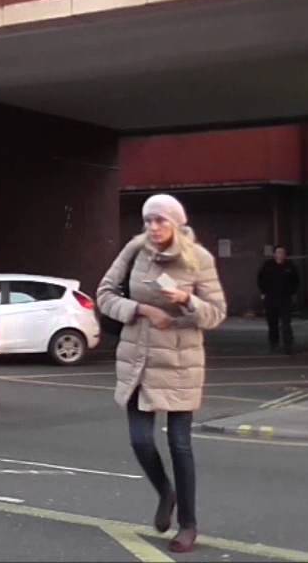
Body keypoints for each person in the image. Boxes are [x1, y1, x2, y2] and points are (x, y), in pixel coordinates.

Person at [96, 193, 226, 554]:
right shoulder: (135, 249)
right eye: (148, 221)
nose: (153, 228)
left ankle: (188, 524)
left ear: (176, 224)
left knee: (179, 444)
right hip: (138, 358)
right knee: (139, 439)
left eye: (161, 221)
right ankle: (164, 492)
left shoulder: (198, 259)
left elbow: (216, 314)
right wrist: (140, 309)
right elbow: (104, 294)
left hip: (181, 362)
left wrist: (187, 300)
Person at [257, 245, 299, 355]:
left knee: (286, 323)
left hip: (285, 299)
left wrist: (292, 293)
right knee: (272, 323)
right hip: (270, 298)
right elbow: (260, 279)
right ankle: (274, 343)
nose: (280, 254)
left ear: (285, 255)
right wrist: (263, 293)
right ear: (275, 254)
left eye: (282, 252)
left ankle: (288, 346)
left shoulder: (290, 266)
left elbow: (296, 281)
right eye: (278, 252)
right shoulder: (268, 265)